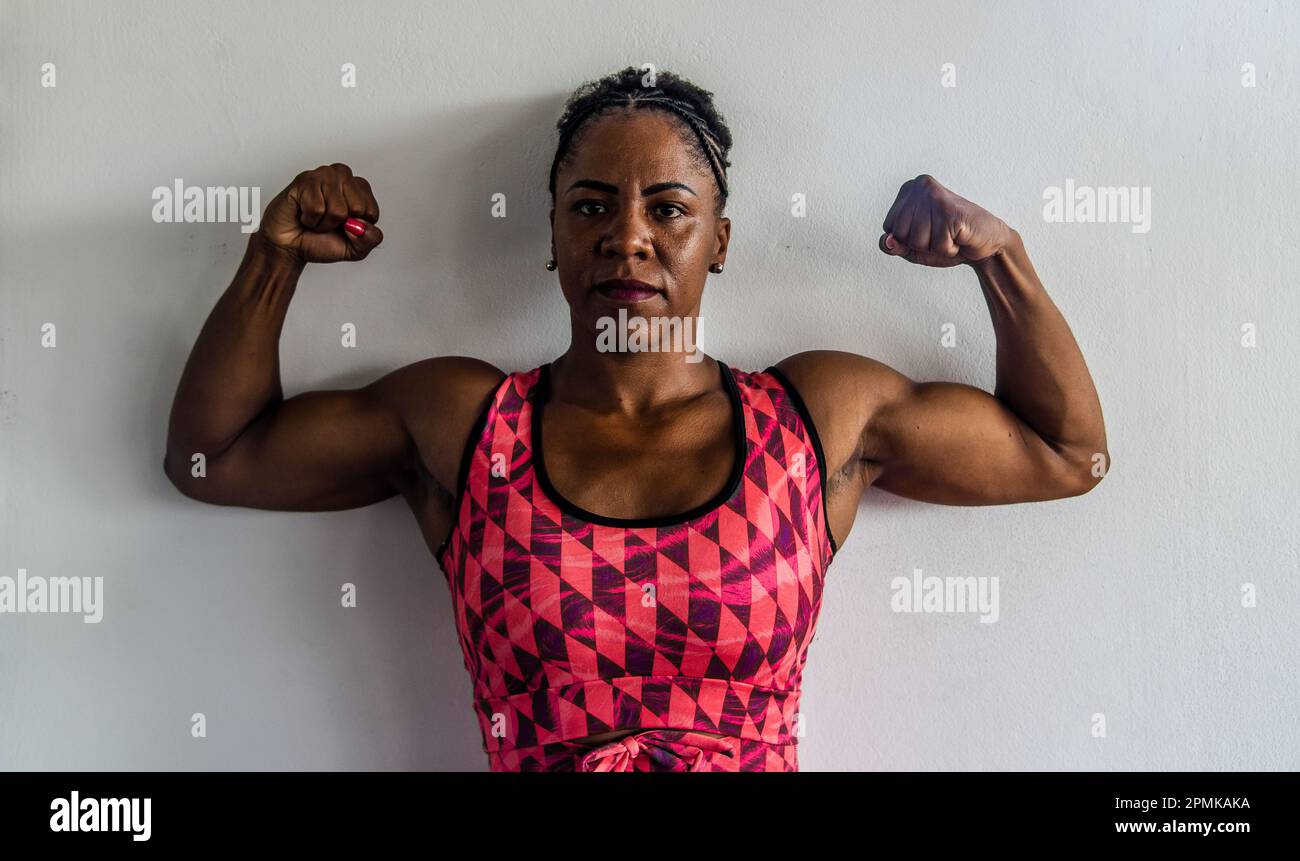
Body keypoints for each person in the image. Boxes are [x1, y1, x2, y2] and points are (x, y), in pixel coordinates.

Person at [164, 66, 1108, 771]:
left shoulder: (818, 421)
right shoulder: (463, 425)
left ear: (721, 239)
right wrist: (274, 256)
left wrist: (1001, 257)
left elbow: (1069, 455)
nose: (628, 236)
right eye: (591, 207)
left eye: (669, 208)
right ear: (553, 238)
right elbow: (215, 456)